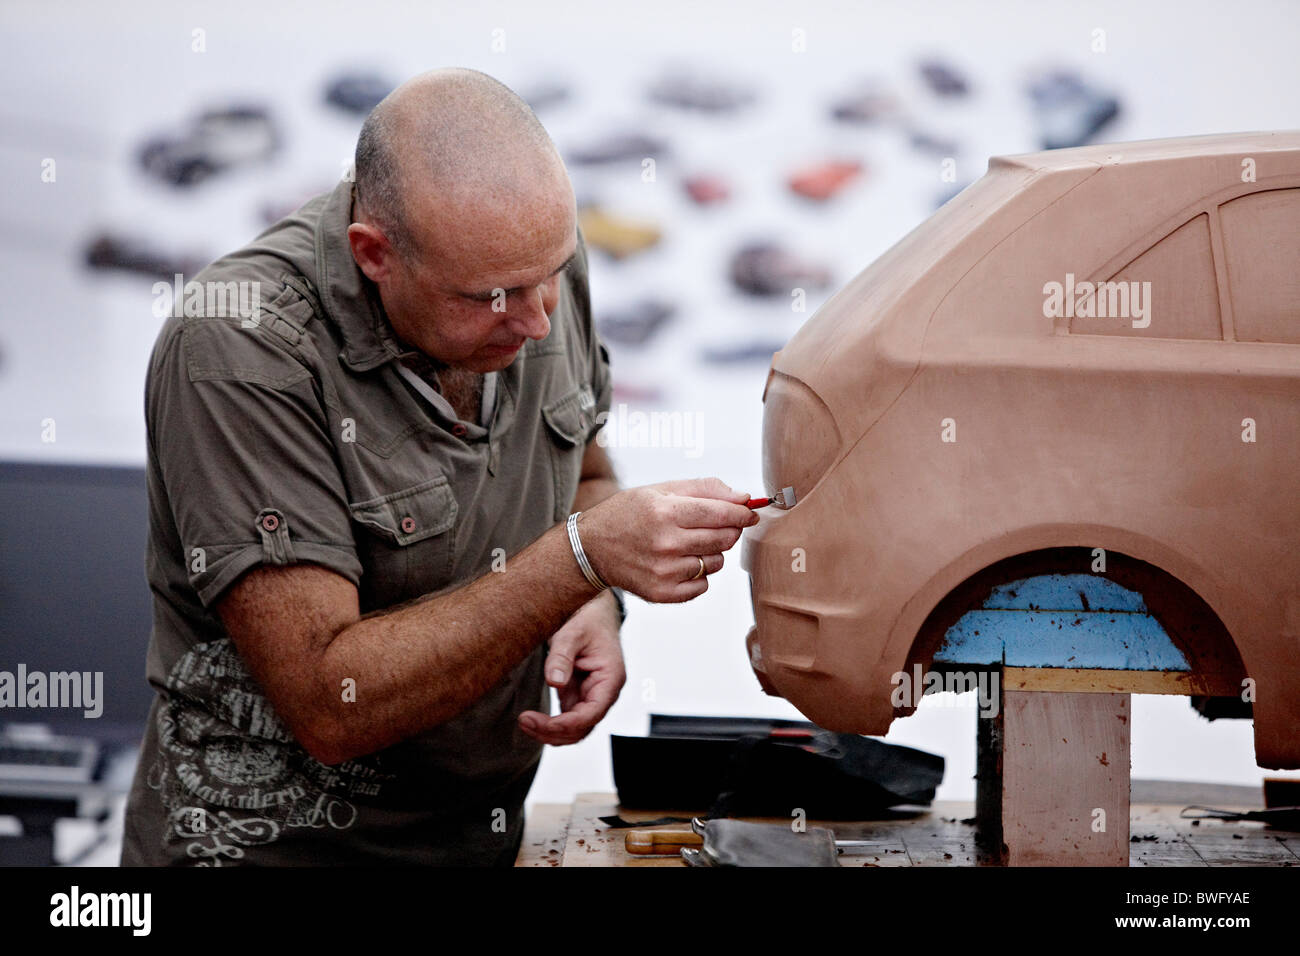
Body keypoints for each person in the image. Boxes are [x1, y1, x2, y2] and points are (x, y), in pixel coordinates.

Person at [119, 67, 758, 866]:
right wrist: (579, 561)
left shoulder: (530, 261)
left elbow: (583, 475)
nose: (535, 321)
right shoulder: (241, 351)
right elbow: (330, 702)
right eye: (491, 296)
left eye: (550, 275)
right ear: (374, 253)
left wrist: (589, 604)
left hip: (475, 844)